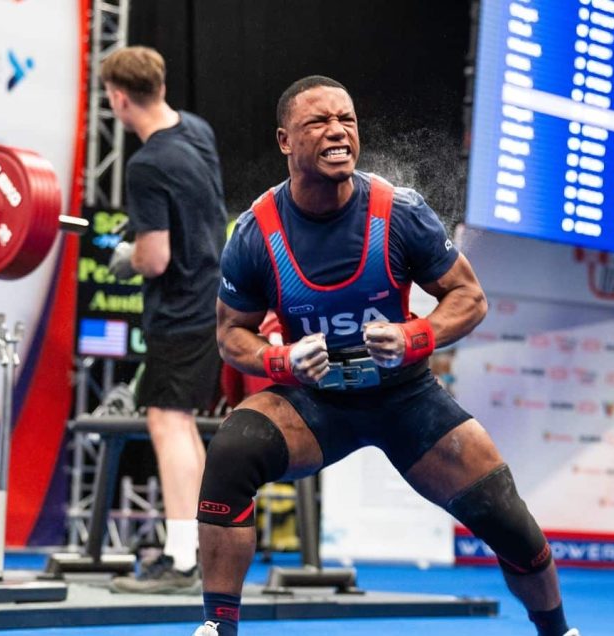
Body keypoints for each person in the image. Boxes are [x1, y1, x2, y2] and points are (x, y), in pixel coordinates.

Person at [191, 76, 580, 636]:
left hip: (405, 399)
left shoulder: (399, 211)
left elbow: (469, 298)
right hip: (316, 402)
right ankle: (217, 629)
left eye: (346, 119)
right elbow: (231, 335)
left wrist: (415, 335)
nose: (337, 132)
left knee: (509, 521)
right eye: (318, 123)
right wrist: (282, 362)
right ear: (284, 141)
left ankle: (559, 631)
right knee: (232, 451)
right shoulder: (256, 232)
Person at [101, 46, 227, 593]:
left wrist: (123, 258)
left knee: (167, 421)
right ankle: (196, 549)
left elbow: (153, 257)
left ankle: (180, 563)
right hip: (216, 298)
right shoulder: (196, 130)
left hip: (180, 308)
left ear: (119, 98)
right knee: (181, 425)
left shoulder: (147, 163)